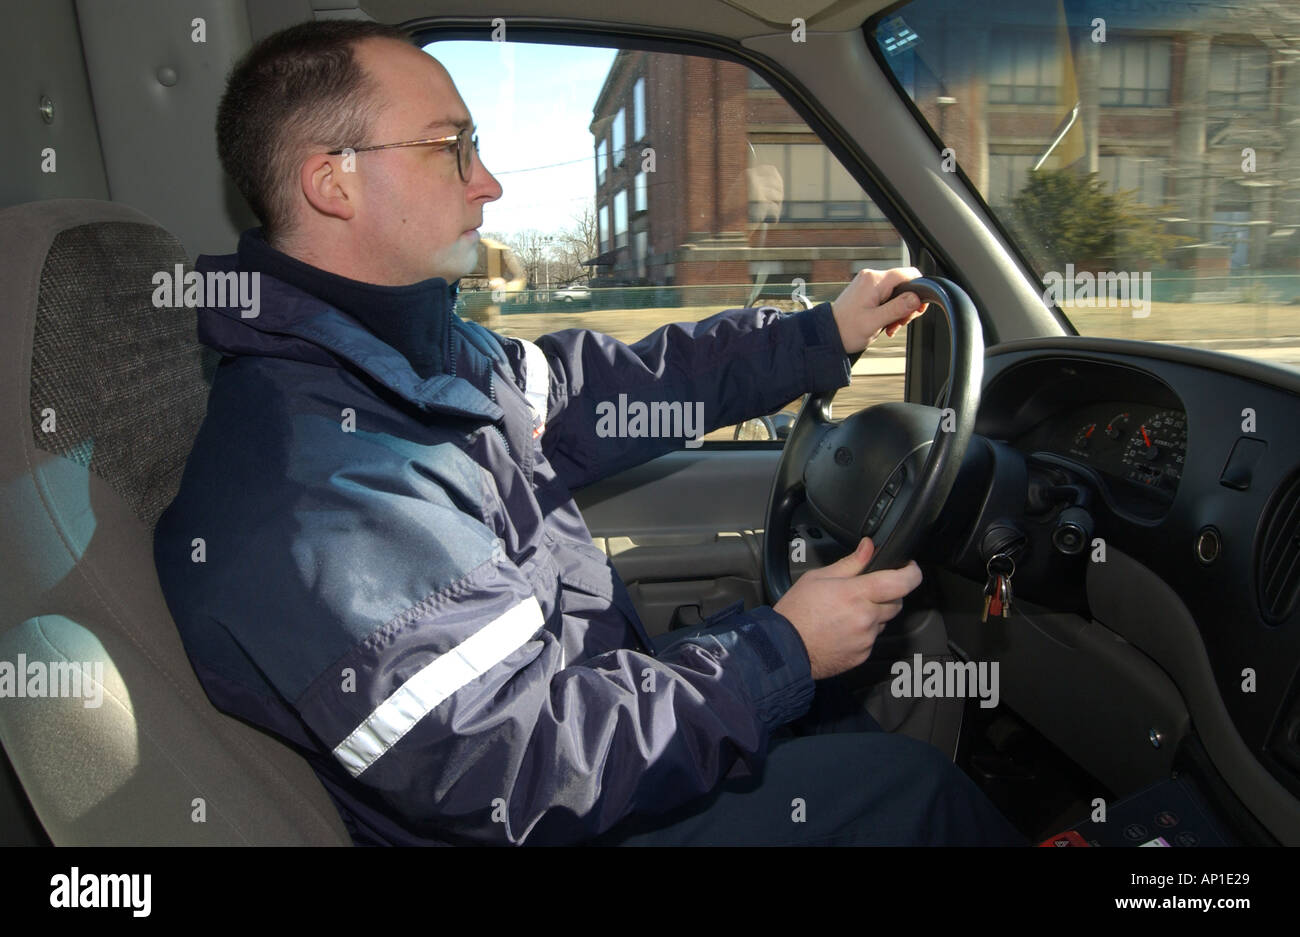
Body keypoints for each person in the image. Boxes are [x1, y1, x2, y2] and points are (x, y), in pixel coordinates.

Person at [153, 19, 1023, 846]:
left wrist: (815, 337)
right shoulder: (321, 491)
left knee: (835, 716)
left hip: (583, 721)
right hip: (565, 806)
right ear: (331, 181)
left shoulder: (412, 356)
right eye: (450, 146)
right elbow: (523, 770)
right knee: (916, 793)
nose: (486, 181)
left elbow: (600, 391)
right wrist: (782, 649)